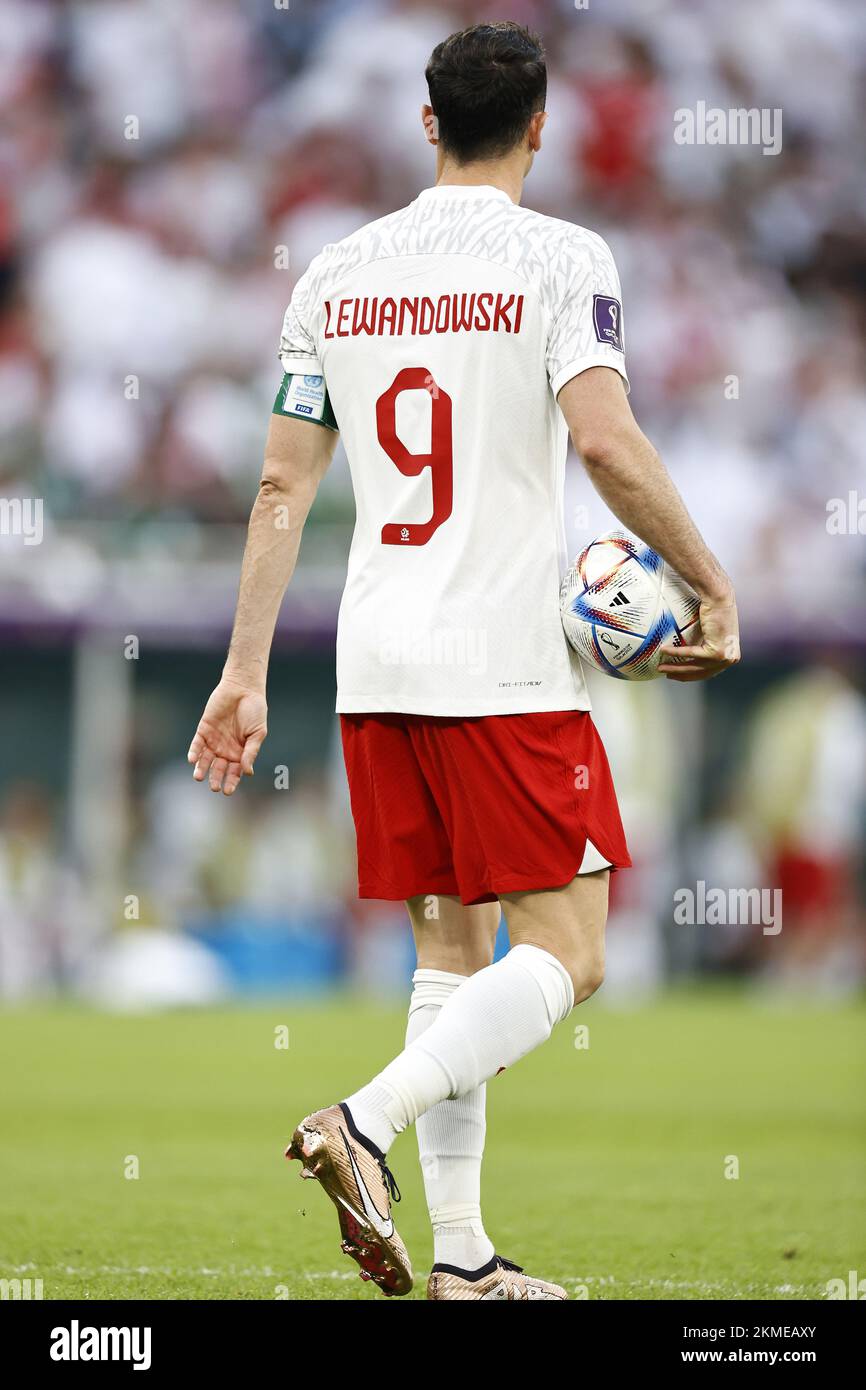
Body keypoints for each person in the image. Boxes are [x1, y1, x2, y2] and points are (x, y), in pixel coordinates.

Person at [187, 21, 739, 1301]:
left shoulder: (334, 270)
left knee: (450, 956)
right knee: (574, 951)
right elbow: (601, 443)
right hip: (500, 664)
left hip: (377, 660)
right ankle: (358, 1123)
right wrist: (707, 580)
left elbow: (280, 481)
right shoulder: (561, 257)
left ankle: (465, 1262)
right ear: (539, 126)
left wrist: (243, 669)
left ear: (425, 123)